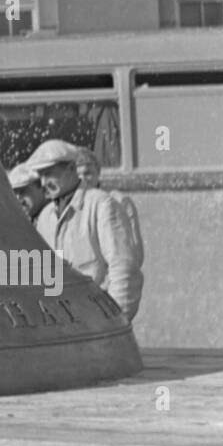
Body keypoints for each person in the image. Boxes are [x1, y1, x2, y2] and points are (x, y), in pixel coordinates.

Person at [26, 137, 142, 320]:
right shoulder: (45, 217)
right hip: (62, 326)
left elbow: (124, 268)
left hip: (97, 323)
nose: (43, 182)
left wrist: (116, 322)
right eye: (40, 175)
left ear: (71, 169)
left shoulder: (101, 205)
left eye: (49, 173)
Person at [73, 145, 144, 270]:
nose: (82, 179)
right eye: (77, 174)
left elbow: (135, 255)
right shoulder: (64, 210)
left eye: (87, 173)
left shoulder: (119, 202)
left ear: (98, 172)